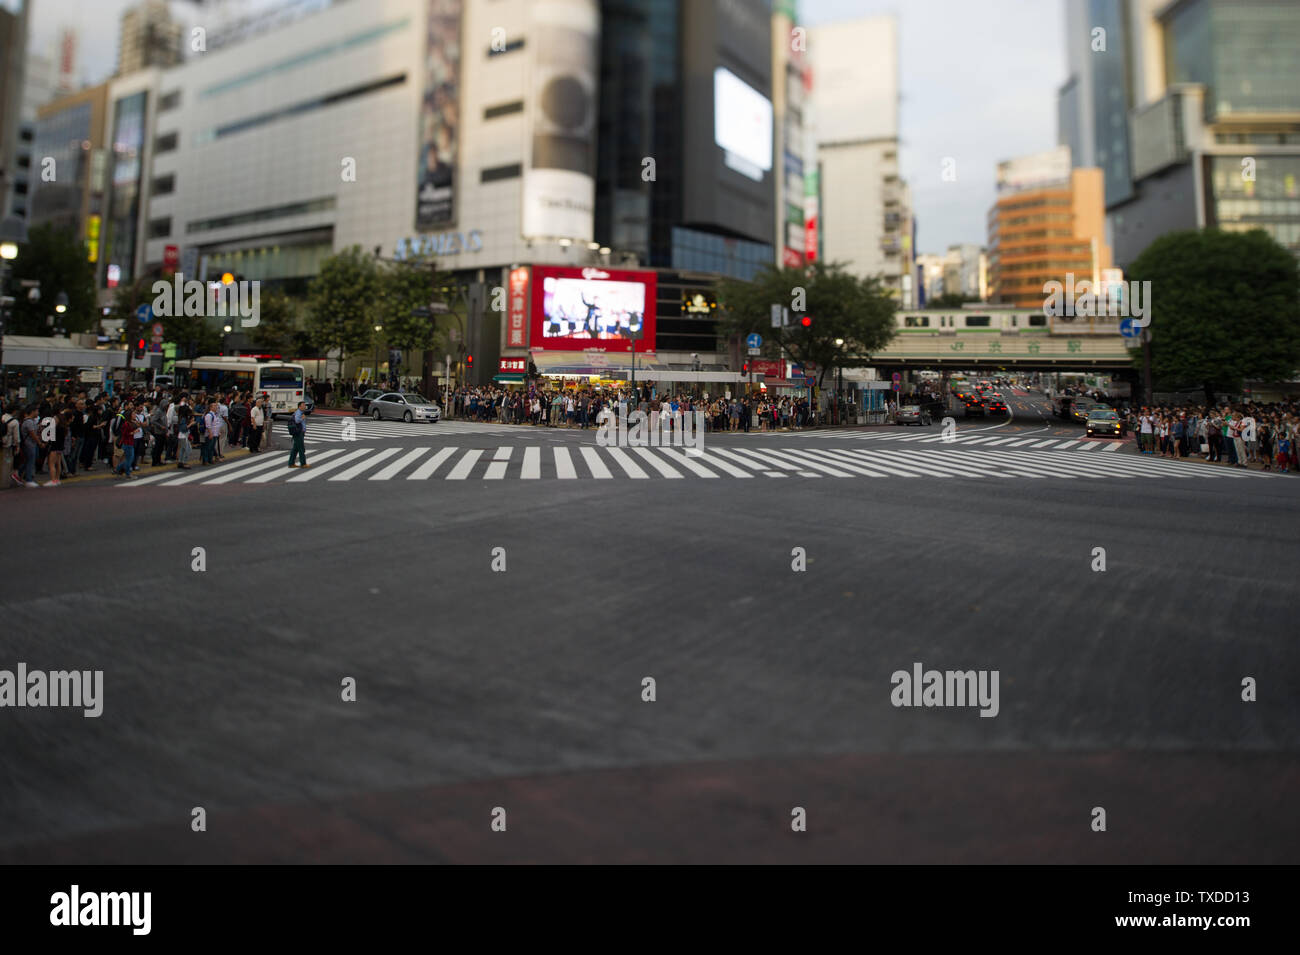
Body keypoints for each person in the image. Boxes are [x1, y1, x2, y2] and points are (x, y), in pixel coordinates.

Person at [287, 401, 309, 468]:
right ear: (299, 406)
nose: (305, 406)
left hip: (298, 432)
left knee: (295, 449)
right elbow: (297, 420)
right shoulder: (299, 413)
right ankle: (303, 463)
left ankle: (291, 463)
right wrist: (302, 418)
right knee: (301, 448)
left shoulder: (300, 412)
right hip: (298, 432)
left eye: (305, 405)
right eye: (303, 405)